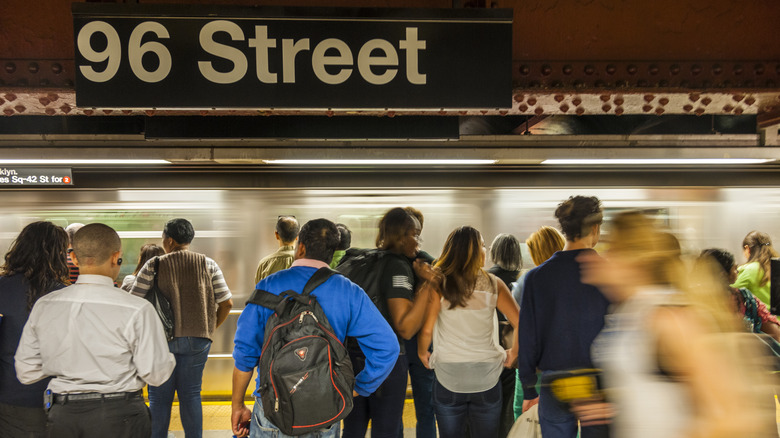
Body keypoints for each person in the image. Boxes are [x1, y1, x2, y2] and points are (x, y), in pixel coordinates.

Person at [576, 212, 776, 438]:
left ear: (632, 260)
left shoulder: (668, 318)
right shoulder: (630, 312)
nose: (599, 260)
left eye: (610, 251)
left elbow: (735, 414)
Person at [231, 218, 400, 438]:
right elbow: (388, 348)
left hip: (273, 407)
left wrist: (238, 405)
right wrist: (358, 388)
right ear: (332, 253)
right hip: (325, 408)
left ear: (300, 247)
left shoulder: (268, 286)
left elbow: (244, 355)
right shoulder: (348, 290)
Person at [15, 223, 176, 438]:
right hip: (121, 415)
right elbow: (156, 375)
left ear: (73, 257)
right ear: (115, 257)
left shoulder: (45, 305)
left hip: (63, 416)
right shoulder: (137, 309)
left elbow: (27, 372)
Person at [130, 218, 234, 438]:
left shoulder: (154, 265)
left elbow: (133, 303)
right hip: (198, 339)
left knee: (159, 396)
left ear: (168, 240)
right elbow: (227, 303)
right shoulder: (209, 264)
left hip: (161, 340)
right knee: (191, 394)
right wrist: (210, 327)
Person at [516, 196, 610, 438]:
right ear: (595, 228)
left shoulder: (537, 277)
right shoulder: (607, 274)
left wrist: (528, 387)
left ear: (565, 230)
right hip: (596, 381)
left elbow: (527, 335)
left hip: (554, 381)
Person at [418, 226, 519, 438]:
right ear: (473, 251)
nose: (485, 250)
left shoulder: (440, 283)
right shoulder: (494, 284)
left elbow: (427, 330)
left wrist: (422, 353)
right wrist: (514, 352)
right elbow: (521, 322)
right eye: (482, 245)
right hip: (487, 378)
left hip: (448, 376)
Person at [342, 207, 435, 438]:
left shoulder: (363, 260)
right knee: (386, 431)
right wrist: (429, 283)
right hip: (386, 362)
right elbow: (405, 326)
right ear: (401, 236)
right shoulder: (397, 265)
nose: (418, 241)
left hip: (351, 358)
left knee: (353, 429)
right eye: (415, 234)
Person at [0, 222, 70, 437]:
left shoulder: (2, 287)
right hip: (58, 399)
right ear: (57, 254)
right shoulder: (67, 296)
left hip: (9, 396)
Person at [398, 206, 436, 438]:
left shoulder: (390, 261)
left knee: (393, 409)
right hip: (424, 343)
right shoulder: (431, 263)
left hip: (398, 344)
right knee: (426, 410)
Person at [700, 248, 780, 341]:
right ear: (723, 275)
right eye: (734, 269)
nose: (737, 272)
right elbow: (774, 332)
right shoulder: (744, 297)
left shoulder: (695, 301)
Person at [486, 233, 522, 438]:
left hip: (491, 351)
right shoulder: (523, 278)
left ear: (494, 252)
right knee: (510, 405)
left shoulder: (488, 278)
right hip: (514, 352)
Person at [733, 231, 778, 306]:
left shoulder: (749, 269)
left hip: (763, 317)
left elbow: (728, 293)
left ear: (747, 248)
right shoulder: (776, 266)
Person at [255, 215, 299, 283]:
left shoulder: (264, 264)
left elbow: (258, 291)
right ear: (297, 236)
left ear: (276, 235)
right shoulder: (306, 263)